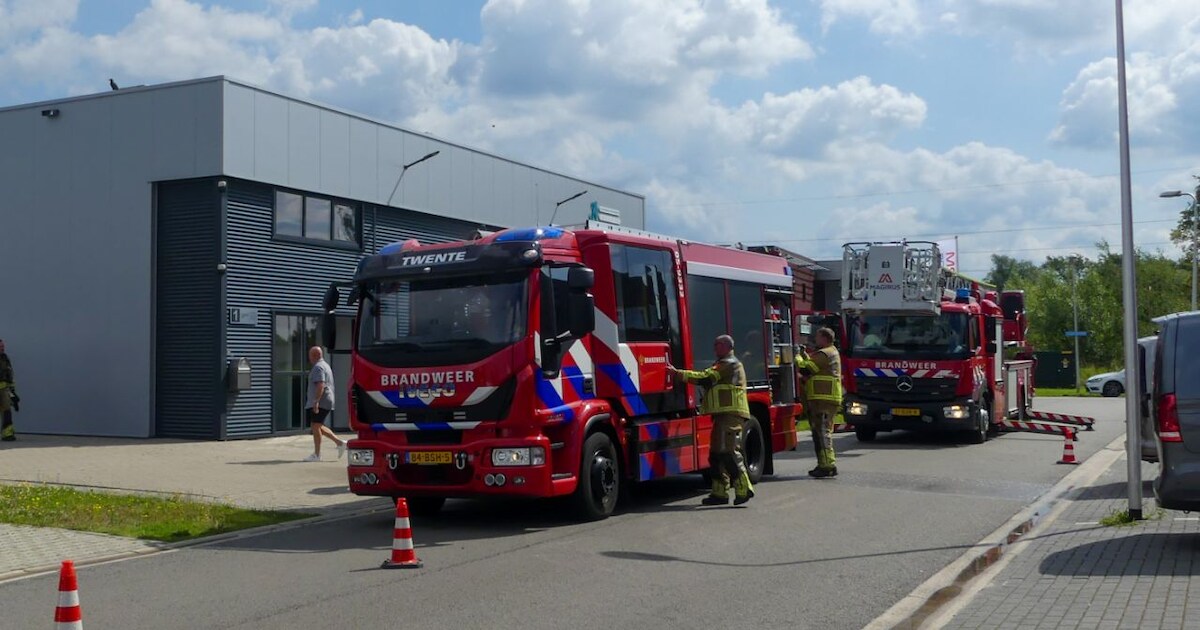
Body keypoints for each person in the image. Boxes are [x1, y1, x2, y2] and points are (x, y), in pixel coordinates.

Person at [667, 334, 755, 506]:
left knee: (728, 452)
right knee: (715, 454)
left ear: (726, 346)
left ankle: (744, 488)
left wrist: (677, 374)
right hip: (722, 415)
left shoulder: (729, 364)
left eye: (717, 345)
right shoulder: (723, 364)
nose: (714, 348)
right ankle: (719, 493)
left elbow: (705, 378)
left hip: (731, 415)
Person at [797, 327, 842, 478]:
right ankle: (824, 464)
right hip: (823, 399)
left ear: (824, 338)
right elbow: (814, 366)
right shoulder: (829, 352)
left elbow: (806, 369)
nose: (815, 339)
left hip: (824, 399)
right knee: (819, 432)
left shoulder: (825, 353)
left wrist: (797, 357)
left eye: (817, 337)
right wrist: (804, 355)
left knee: (822, 433)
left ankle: (828, 464)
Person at [303, 346, 346, 462]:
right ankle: (340, 443)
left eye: (310, 355)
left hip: (321, 401)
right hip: (325, 400)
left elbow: (320, 385)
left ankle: (317, 454)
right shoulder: (325, 365)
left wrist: (316, 401)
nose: (309, 357)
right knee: (317, 425)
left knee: (315, 426)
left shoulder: (318, 367)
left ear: (315, 355)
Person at [0, 339, 17, 442]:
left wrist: (13, 392)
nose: (2, 348)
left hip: (4, 390)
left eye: (3, 346)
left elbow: (10, 375)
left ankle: (7, 434)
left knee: (7, 411)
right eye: (0, 346)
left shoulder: (5, 359)